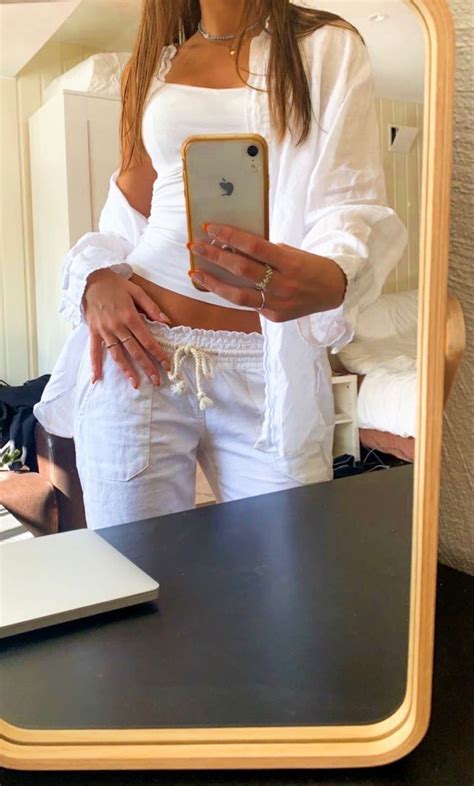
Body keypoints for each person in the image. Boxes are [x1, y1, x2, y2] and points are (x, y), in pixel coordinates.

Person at [34, 1, 407, 530]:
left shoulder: (326, 45)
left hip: (270, 363)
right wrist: (94, 278)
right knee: (137, 567)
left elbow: (348, 203)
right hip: (142, 351)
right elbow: (126, 215)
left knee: (288, 567)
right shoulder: (151, 67)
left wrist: (335, 276)